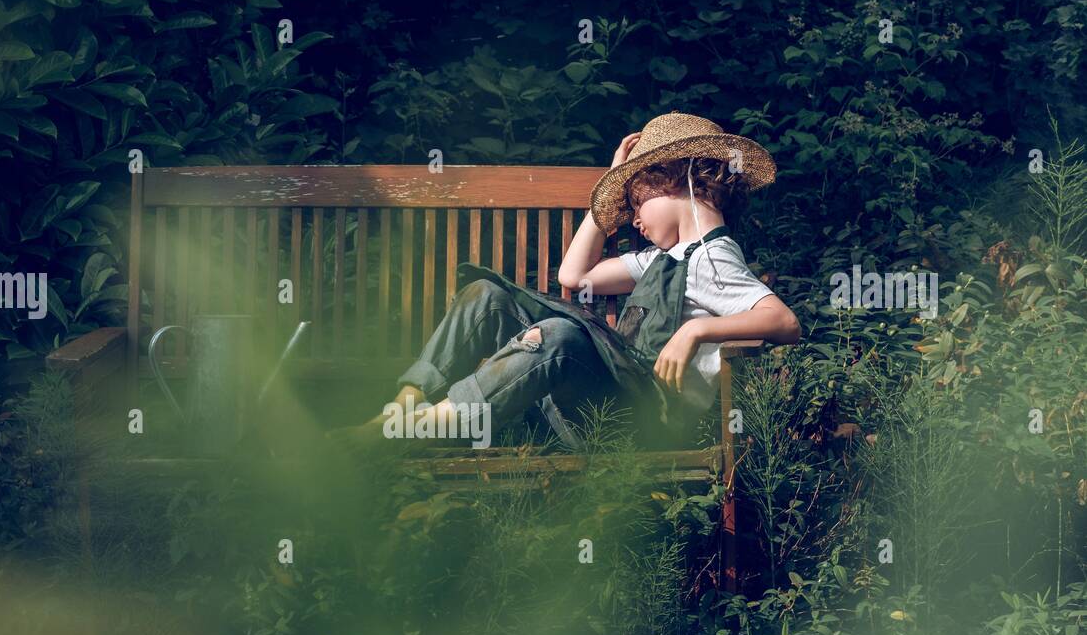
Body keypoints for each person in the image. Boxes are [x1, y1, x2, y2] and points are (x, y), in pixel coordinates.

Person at [334, 112, 802, 453]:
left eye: (637, 201)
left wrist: (694, 330)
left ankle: (413, 430)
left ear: (679, 183)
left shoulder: (713, 257)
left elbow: (782, 320)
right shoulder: (664, 258)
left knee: (557, 337)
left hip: (639, 424)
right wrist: (612, 181)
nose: (633, 219)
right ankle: (399, 409)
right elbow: (573, 277)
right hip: (602, 401)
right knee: (488, 295)